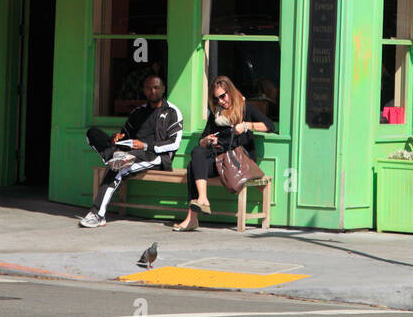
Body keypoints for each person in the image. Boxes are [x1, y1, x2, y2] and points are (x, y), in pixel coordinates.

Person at [172, 75, 276, 232]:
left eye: (223, 96)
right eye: (216, 99)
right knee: (197, 154)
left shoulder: (246, 108)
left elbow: (270, 126)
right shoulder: (216, 115)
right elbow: (201, 141)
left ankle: (193, 217)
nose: (220, 101)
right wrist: (207, 140)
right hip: (219, 159)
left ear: (231, 92)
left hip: (238, 161)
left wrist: (246, 126)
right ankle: (203, 200)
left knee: (193, 167)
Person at [80, 75, 183, 228]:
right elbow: (125, 136)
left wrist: (145, 146)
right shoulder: (138, 112)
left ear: (163, 89)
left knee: (117, 168)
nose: (152, 91)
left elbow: (174, 143)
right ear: (144, 90)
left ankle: (97, 214)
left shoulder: (172, 112)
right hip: (130, 152)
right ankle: (117, 157)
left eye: (156, 87)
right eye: (148, 88)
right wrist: (117, 138)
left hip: (154, 156)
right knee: (93, 133)